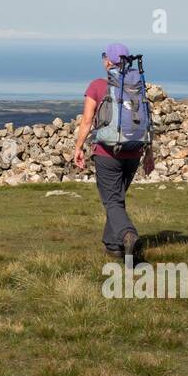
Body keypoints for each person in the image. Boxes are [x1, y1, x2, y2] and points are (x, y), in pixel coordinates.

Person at [73, 42, 155, 260]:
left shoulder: (98, 86)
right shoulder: (136, 85)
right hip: (135, 151)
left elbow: (87, 120)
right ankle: (113, 246)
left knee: (111, 200)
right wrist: (149, 153)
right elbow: (147, 120)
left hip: (107, 152)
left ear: (108, 61)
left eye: (104, 56)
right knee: (116, 198)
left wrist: (78, 147)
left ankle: (128, 235)